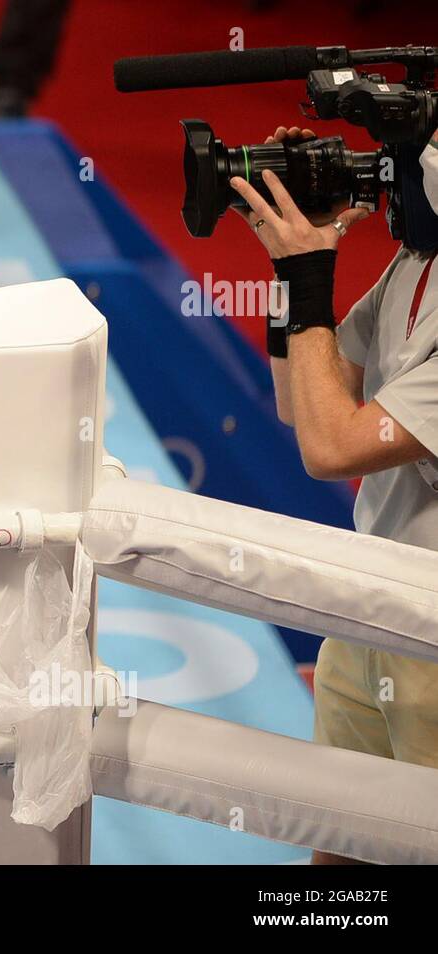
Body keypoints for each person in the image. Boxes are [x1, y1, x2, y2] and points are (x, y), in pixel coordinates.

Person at [232, 125, 438, 864]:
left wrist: (312, 273)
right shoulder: (416, 265)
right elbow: (303, 404)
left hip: (435, 635)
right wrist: (292, 273)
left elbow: (331, 449)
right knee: (340, 841)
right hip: (368, 607)